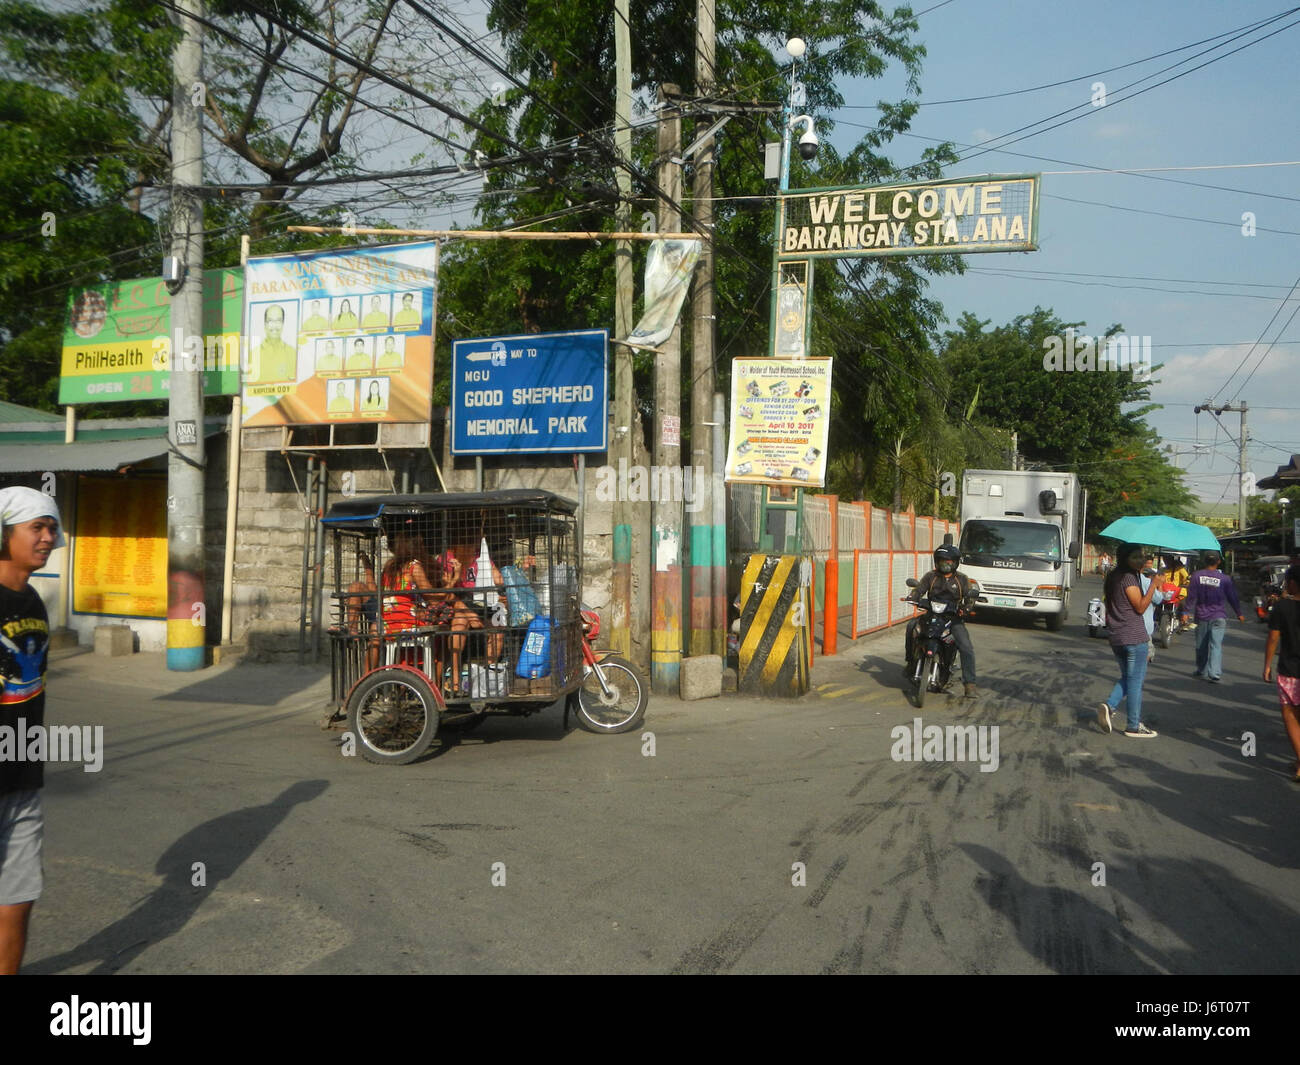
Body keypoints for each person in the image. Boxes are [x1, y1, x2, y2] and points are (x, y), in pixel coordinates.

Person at [0, 486, 62, 974]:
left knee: (19, 896)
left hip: (23, 774)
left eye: (51, 528)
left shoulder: (34, 601)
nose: (47, 537)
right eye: (35, 528)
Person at [1096, 542, 1164, 737]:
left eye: (1141, 557)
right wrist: (1153, 585)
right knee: (1135, 682)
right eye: (1135, 557)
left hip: (1117, 637)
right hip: (1134, 637)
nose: (1140, 560)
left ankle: (1109, 706)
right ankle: (1133, 725)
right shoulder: (1128, 578)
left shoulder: (1115, 577)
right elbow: (1141, 607)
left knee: (1129, 678)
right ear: (1124, 559)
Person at [904, 543, 979, 698]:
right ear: (936, 561)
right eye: (942, 560)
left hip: (953, 619)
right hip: (931, 615)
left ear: (956, 563)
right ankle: (910, 663)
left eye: (949, 561)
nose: (945, 564)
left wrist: (967, 607)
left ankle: (970, 684)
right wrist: (913, 597)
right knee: (912, 626)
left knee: (966, 646)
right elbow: (919, 589)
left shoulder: (962, 579)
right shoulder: (930, 576)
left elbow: (969, 597)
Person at [1263, 565, 1300, 782]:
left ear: (1293, 582)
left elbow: (1273, 639)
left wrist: (1267, 665)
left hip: (1290, 670)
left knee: (1290, 715)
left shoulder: (1283, 607)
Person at [1185, 551, 1244, 683]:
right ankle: (1215, 673)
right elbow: (1232, 597)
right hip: (1219, 617)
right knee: (1216, 645)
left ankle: (1202, 670)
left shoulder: (1197, 576)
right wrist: (1239, 613)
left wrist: (1185, 612)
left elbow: (1191, 596)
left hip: (1202, 616)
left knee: (1201, 645)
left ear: (1204, 561)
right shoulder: (1225, 579)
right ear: (1218, 562)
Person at [252, 305, 297, 382]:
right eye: (270, 321)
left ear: (283, 324)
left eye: (278, 321)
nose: (274, 325)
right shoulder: (253, 354)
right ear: (265, 324)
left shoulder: (292, 353)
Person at [1140, 554, 1165, 663]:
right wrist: (1158, 585)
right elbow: (1158, 599)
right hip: (1143, 625)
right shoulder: (1146, 581)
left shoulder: (1123, 578)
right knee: (1145, 654)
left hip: (1125, 627)